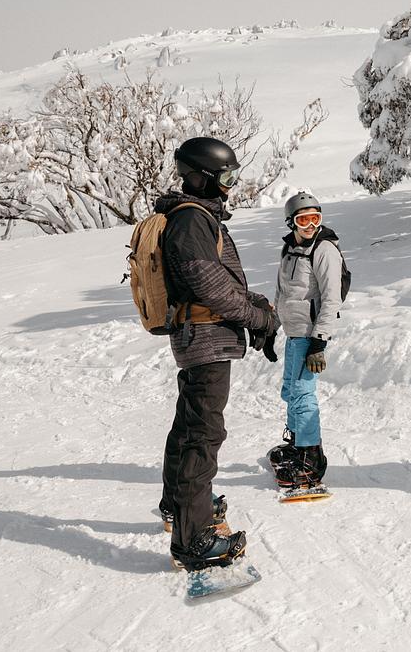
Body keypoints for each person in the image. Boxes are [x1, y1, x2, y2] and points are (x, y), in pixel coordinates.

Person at [156, 136, 279, 570]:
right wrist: (256, 319)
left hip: (201, 334)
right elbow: (207, 285)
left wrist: (258, 305)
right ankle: (193, 541)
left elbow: (219, 283)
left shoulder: (194, 218)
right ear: (202, 177)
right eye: (225, 176)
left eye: (234, 176)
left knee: (190, 424)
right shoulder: (192, 221)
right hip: (205, 336)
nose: (230, 185)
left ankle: (180, 507)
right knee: (202, 435)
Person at [268, 191, 345, 491]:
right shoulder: (289, 251)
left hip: (309, 337)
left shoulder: (324, 250)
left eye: (316, 218)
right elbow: (281, 293)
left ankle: (311, 459)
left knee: (303, 395)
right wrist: (272, 327)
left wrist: (320, 341)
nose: (311, 225)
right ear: (291, 223)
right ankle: (297, 444)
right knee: (291, 392)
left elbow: (331, 299)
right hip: (292, 333)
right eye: (304, 219)